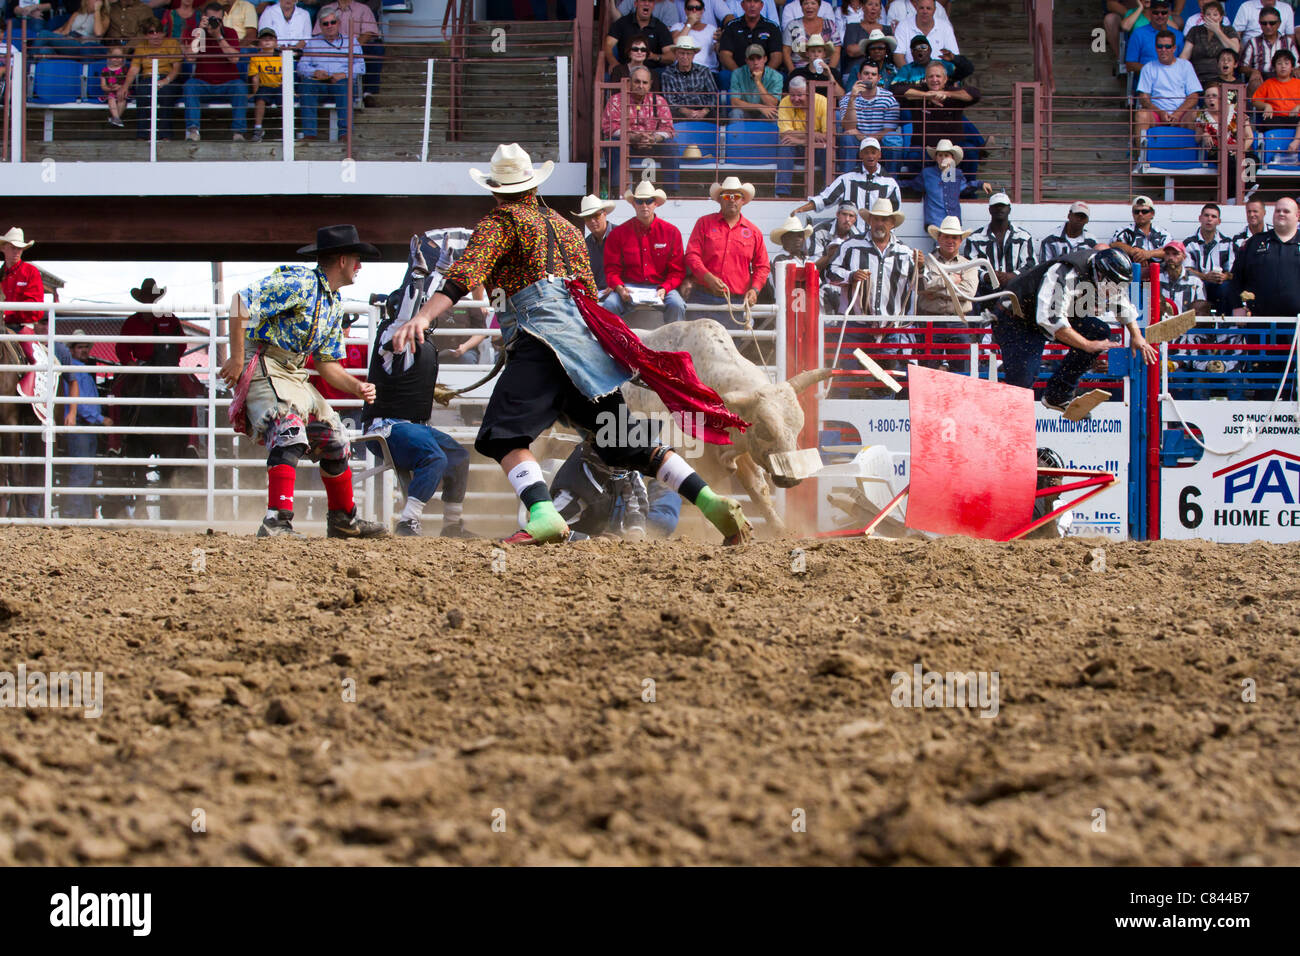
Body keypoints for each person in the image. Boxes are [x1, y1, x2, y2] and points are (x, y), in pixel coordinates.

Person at [391, 144, 753, 547]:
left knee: (501, 434)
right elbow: (585, 291)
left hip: (541, 343)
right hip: (584, 347)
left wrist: (423, 316)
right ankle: (710, 500)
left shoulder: (500, 221)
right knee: (625, 444)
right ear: (531, 184)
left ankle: (544, 515)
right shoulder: (565, 228)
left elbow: (465, 273)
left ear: (496, 190)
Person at [218, 225, 388, 538]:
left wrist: (356, 387)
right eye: (356, 259)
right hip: (266, 363)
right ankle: (276, 521)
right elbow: (240, 302)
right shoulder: (298, 281)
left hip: (293, 371)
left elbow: (326, 363)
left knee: (336, 439)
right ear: (341, 260)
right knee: (288, 429)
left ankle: (342, 520)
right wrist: (237, 357)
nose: (360, 265)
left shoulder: (334, 303)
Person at [987, 247, 1158, 414]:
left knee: (1098, 331)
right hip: (1016, 319)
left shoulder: (1103, 273)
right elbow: (1051, 320)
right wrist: (1087, 345)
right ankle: (1003, 420)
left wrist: (1137, 336)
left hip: (1043, 317)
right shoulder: (1065, 272)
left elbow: (1122, 303)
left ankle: (1058, 394)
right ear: (1100, 275)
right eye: (1111, 286)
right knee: (1022, 381)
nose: (1111, 293)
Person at [361, 310, 474, 538]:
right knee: (434, 456)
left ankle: (451, 525)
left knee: (458, 456)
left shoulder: (421, 343)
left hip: (412, 426)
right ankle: (409, 520)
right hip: (385, 425)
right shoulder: (392, 333)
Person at [683, 176, 770, 327]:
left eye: (736, 196)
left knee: (729, 347)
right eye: (727, 196)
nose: (732, 200)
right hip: (702, 296)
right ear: (720, 200)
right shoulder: (703, 223)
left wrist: (755, 290)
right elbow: (692, 255)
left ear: (742, 201)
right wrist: (708, 277)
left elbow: (762, 266)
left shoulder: (754, 232)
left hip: (735, 301)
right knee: (696, 348)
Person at [602, 181, 687, 325]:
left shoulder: (672, 232)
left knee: (677, 305)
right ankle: (614, 345)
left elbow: (677, 271)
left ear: (656, 204)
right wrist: (620, 288)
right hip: (629, 287)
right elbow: (611, 269)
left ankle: (673, 346)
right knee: (610, 305)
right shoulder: (618, 234)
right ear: (633, 204)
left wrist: (665, 288)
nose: (644, 205)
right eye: (639, 201)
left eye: (649, 201)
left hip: (660, 287)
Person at [600, 66, 678, 190]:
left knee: (671, 145)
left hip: (651, 145)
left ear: (650, 84)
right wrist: (632, 137)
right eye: (637, 81)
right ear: (630, 82)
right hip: (627, 145)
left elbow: (668, 129)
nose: (640, 86)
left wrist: (654, 138)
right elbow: (609, 127)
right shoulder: (616, 100)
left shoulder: (658, 100)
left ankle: (671, 193)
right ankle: (617, 191)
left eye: (645, 82)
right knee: (613, 144)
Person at [1225, 196, 1300, 318]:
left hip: (1297, 323)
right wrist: (1237, 306)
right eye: (1277, 211)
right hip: (1259, 320)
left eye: (1286, 211)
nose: (1281, 214)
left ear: (1297, 215)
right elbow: (1237, 277)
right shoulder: (1254, 242)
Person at [793, 135, 901, 219]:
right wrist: (801, 209)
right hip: (852, 240)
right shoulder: (847, 179)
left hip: (878, 239)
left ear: (879, 155)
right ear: (860, 155)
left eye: (873, 152)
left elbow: (894, 216)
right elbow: (825, 199)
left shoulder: (890, 184)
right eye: (866, 152)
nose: (870, 156)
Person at [182, 3, 247, 142]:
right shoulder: (197, 33)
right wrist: (200, 32)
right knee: (190, 85)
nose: (215, 22)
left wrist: (219, 37)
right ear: (204, 17)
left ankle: (238, 132)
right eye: (211, 19)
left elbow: (234, 59)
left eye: (218, 19)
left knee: (240, 86)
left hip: (228, 84)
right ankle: (193, 131)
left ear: (223, 19)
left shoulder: (230, 32)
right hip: (203, 83)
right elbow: (190, 57)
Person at [297, 10, 364, 142]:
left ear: (338, 23)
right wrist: (314, 73)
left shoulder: (351, 41)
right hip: (320, 83)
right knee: (306, 86)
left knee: (345, 85)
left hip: (341, 82)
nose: (330, 26)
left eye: (332, 22)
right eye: (325, 24)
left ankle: (345, 134)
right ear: (321, 26)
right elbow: (301, 66)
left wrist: (343, 74)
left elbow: (361, 67)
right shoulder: (312, 43)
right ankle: (309, 134)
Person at [60, 331, 105, 520]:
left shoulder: (80, 370)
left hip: (86, 426)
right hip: (81, 425)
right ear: (71, 350)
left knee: (85, 473)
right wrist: (101, 419)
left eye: (86, 347)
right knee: (82, 472)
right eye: (80, 347)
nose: (84, 350)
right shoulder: (76, 371)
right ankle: (71, 514)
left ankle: (83, 514)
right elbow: (80, 405)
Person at [901, 138, 990, 230]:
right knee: (940, 242)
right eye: (940, 155)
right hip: (934, 220)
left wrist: (980, 184)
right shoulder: (927, 174)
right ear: (936, 158)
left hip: (953, 220)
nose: (943, 158)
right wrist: (894, 182)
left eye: (946, 155)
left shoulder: (956, 174)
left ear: (952, 158)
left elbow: (964, 187)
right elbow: (913, 184)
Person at [963, 192, 1037, 297]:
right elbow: (970, 266)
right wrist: (985, 276)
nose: (999, 209)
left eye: (1003, 206)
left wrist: (1012, 276)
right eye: (995, 206)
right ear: (989, 210)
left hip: (1015, 288)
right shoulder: (975, 238)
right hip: (985, 290)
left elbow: (1030, 265)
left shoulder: (1023, 237)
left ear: (1009, 209)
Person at [1135, 28, 1202, 144]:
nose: (1163, 50)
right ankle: (1141, 156)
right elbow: (1143, 98)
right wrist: (1161, 113)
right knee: (1141, 115)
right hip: (1156, 113)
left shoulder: (1185, 65)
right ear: (1155, 48)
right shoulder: (1148, 67)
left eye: (1167, 46)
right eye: (1160, 46)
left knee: (1197, 115)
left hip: (1181, 114)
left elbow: (1194, 96)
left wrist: (1178, 113)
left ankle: (1195, 158)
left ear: (1174, 48)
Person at [0, 227, 44, 400]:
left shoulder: (30, 272)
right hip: (2, 327)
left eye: (19, 248)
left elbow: (36, 308)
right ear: (3, 248)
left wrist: (6, 312)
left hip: (21, 327)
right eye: (12, 247)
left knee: (36, 360)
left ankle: (32, 399)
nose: (16, 251)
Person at [835, 60, 900, 174]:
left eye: (873, 74)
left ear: (879, 78)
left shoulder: (889, 98)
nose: (869, 77)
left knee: (893, 138)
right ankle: (847, 181)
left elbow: (889, 130)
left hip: (878, 142)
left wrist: (865, 137)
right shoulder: (848, 98)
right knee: (847, 138)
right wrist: (852, 99)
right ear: (859, 76)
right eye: (866, 73)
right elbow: (848, 127)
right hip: (857, 141)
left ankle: (891, 182)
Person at [314, 0, 382, 104]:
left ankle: (368, 93)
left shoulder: (363, 9)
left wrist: (351, 47)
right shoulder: (326, 9)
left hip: (356, 47)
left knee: (376, 48)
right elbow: (318, 33)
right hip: (331, 47)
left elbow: (368, 33)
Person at [125, 19, 182, 140]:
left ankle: (165, 136)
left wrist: (165, 81)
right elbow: (134, 69)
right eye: (151, 32)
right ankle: (142, 135)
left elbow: (177, 68)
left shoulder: (172, 43)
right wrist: (125, 87)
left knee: (167, 95)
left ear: (163, 33)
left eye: (159, 32)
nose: (156, 35)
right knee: (142, 93)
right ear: (146, 35)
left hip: (167, 78)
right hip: (148, 78)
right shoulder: (141, 47)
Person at [1195, 83, 1256, 194]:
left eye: (1214, 96)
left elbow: (1250, 137)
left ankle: (1246, 190)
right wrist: (1204, 135)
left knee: (1251, 160)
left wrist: (1239, 151)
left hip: (1236, 149)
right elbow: (1197, 139)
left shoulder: (1236, 113)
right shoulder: (1202, 115)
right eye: (1207, 96)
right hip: (1215, 150)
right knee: (1230, 162)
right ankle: (1232, 194)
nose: (1210, 99)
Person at [775, 75, 828, 198]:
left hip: (817, 148)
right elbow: (785, 134)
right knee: (785, 144)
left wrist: (800, 139)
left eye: (800, 95)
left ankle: (828, 189)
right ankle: (783, 193)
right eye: (792, 95)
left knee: (826, 146)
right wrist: (814, 134)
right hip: (797, 146)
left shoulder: (822, 101)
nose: (795, 99)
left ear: (809, 92)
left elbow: (826, 136)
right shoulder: (785, 102)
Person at [1183, 202, 1235, 313]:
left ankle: (1225, 327)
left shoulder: (1227, 243)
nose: (1209, 219)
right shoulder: (1189, 243)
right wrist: (1205, 277)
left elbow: (1233, 271)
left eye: (1213, 216)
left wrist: (1224, 276)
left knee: (1227, 288)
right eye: (1206, 215)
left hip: (1219, 285)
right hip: (1196, 283)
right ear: (1200, 218)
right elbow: (1187, 270)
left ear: (1219, 221)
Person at [810, 202, 864, 306]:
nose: (847, 219)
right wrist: (829, 256)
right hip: (819, 285)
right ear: (837, 214)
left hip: (846, 284)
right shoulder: (819, 231)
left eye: (851, 216)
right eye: (844, 214)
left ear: (855, 219)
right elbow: (813, 268)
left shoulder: (858, 237)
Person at [660, 34, 718, 121]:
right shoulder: (668, 74)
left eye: (688, 53)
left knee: (716, 115)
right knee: (670, 114)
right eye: (681, 53)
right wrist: (687, 112)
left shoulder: (704, 71)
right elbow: (669, 100)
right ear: (676, 54)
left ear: (693, 55)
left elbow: (714, 95)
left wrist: (704, 111)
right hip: (679, 113)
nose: (685, 57)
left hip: (703, 110)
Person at [1180, 1, 1240, 86]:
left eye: (1215, 15)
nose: (1211, 17)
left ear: (1221, 17)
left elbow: (1235, 49)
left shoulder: (1228, 30)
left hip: (1221, 77)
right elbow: (1185, 55)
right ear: (1203, 17)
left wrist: (1217, 31)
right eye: (1208, 15)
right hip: (1197, 77)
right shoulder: (1195, 31)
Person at [718, 0, 783, 72]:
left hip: (765, 75)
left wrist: (764, 75)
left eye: (756, 1)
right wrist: (739, 74)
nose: (752, 5)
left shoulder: (772, 27)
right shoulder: (731, 26)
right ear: (742, 5)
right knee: (723, 76)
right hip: (737, 73)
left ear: (761, 5)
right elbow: (725, 55)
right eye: (748, 1)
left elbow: (776, 56)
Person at [1243, 5, 1297, 91]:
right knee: (1254, 83)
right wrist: (1253, 71)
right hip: (1261, 77)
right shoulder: (1253, 42)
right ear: (1260, 24)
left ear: (1279, 23)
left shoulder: (1288, 42)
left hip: (1284, 76)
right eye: (1264, 23)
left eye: (1272, 23)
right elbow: (1242, 66)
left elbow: (1297, 64)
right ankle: (1255, 105)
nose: (1268, 26)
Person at [607, 0, 674, 66]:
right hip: (625, 70)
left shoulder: (660, 27)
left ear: (653, 6)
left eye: (650, 1)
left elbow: (671, 56)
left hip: (652, 71)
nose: (647, 3)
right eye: (643, 0)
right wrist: (612, 62)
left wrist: (654, 56)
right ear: (636, 4)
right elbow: (608, 45)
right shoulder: (622, 22)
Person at [574, 193, 619, 292]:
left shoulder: (622, 235)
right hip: (597, 295)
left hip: (620, 291)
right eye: (587, 217)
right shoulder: (586, 244)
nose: (592, 221)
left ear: (605, 214)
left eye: (596, 215)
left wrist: (617, 286)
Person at [892, 0, 958, 66]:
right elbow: (898, 56)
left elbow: (954, 55)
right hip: (911, 73)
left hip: (939, 74)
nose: (925, 11)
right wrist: (909, 74)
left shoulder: (945, 27)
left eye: (928, 8)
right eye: (921, 8)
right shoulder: (903, 26)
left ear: (934, 10)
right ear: (916, 8)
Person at [1110, 194, 1171, 267]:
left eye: (1144, 211)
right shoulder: (1125, 231)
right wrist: (1134, 252)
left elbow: (1170, 251)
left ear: (1152, 214)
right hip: (1131, 272)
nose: (1140, 214)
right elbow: (1114, 244)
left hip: (1159, 274)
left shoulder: (1162, 233)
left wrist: (1148, 254)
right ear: (1133, 214)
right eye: (1136, 211)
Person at [1126, 0, 1186, 73]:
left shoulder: (1178, 35)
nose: (1160, 15)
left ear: (1169, 14)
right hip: (1148, 80)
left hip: (1172, 80)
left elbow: (1184, 63)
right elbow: (1130, 64)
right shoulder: (1138, 33)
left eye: (1163, 13)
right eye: (1156, 12)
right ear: (1150, 13)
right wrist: (1154, 71)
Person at [765, 215, 814, 301]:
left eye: (800, 236)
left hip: (806, 306)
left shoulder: (807, 259)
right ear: (784, 239)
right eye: (793, 235)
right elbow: (782, 288)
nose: (797, 239)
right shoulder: (779, 260)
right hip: (785, 307)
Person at [783, 0, 842, 72]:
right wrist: (793, 73)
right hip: (799, 70)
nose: (809, 6)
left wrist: (828, 72)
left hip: (824, 69)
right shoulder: (792, 25)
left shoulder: (830, 24)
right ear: (801, 6)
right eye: (806, 3)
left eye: (813, 3)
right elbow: (786, 51)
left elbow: (836, 51)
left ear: (819, 6)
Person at [728, 43, 783, 119]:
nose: (756, 63)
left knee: (773, 113)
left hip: (765, 113)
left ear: (765, 59)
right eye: (751, 59)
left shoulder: (776, 76)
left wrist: (758, 82)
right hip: (746, 112)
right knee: (735, 113)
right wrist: (759, 107)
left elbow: (772, 104)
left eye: (759, 58)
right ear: (746, 61)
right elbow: (734, 103)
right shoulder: (737, 74)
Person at [248, 27, 283, 142]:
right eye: (264, 39)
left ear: (276, 42)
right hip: (265, 86)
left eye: (271, 39)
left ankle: (289, 129)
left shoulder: (282, 56)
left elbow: (288, 75)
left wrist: (293, 91)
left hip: (280, 86)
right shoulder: (256, 57)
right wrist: (254, 92)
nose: (267, 41)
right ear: (259, 42)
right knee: (260, 99)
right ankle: (258, 129)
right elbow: (255, 77)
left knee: (286, 100)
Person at [1251, 49, 1300, 130]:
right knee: (1265, 123)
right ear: (1274, 67)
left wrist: (1298, 107)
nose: (1283, 66)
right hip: (1274, 119)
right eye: (1279, 63)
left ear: (1292, 67)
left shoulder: (1298, 83)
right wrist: (1266, 105)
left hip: (1296, 118)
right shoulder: (1268, 83)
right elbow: (1255, 101)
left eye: (1286, 63)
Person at [788, 32, 844, 101]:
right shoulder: (797, 73)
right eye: (813, 51)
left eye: (819, 51)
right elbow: (787, 97)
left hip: (827, 110)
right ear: (807, 53)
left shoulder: (833, 72)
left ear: (824, 54)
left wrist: (830, 75)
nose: (816, 54)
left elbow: (841, 97)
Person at [670, 1, 720, 71]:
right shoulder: (678, 26)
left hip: (708, 71)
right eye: (690, 8)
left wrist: (720, 41)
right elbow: (676, 44)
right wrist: (690, 23)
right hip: (683, 71)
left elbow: (719, 51)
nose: (694, 10)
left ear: (703, 10)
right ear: (685, 10)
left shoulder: (712, 29)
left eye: (698, 8)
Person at [99, 45, 130, 129]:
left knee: (122, 98)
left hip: (122, 91)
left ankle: (116, 119)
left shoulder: (126, 70)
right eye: (114, 57)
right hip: (110, 92)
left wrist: (120, 87)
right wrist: (111, 89)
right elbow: (103, 86)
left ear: (123, 58)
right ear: (109, 57)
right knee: (111, 98)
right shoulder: (105, 71)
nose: (116, 59)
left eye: (119, 57)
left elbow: (129, 83)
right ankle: (117, 118)